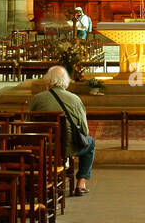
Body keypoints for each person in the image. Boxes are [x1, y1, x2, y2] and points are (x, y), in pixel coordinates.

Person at [28, 64, 95, 196]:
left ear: (48, 80)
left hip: (42, 146)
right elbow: (85, 130)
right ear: (66, 81)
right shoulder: (75, 99)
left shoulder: (37, 98)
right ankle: (81, 183)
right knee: (91, 143)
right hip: (67, 147)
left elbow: (30, 123)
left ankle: (41, 179)